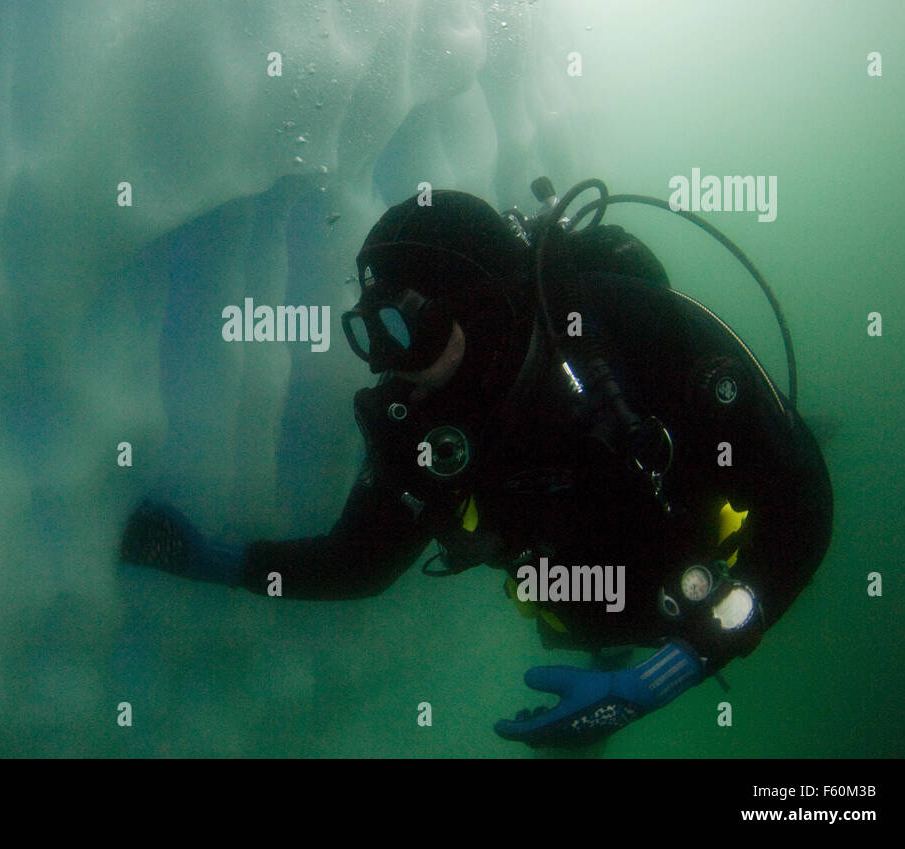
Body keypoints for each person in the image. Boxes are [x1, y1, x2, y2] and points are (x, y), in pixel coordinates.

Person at [120, 181, 833, 749]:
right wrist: (201, 558)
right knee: (581, 630)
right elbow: (356, 564)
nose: (391, 365)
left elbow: (800, 506)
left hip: (703, 557)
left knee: (768, 459)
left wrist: (675, 669)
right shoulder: (419, 424)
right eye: (371, 332)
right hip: (580, 597)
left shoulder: (639, 333)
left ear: (482, 305)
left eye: (409, 326)